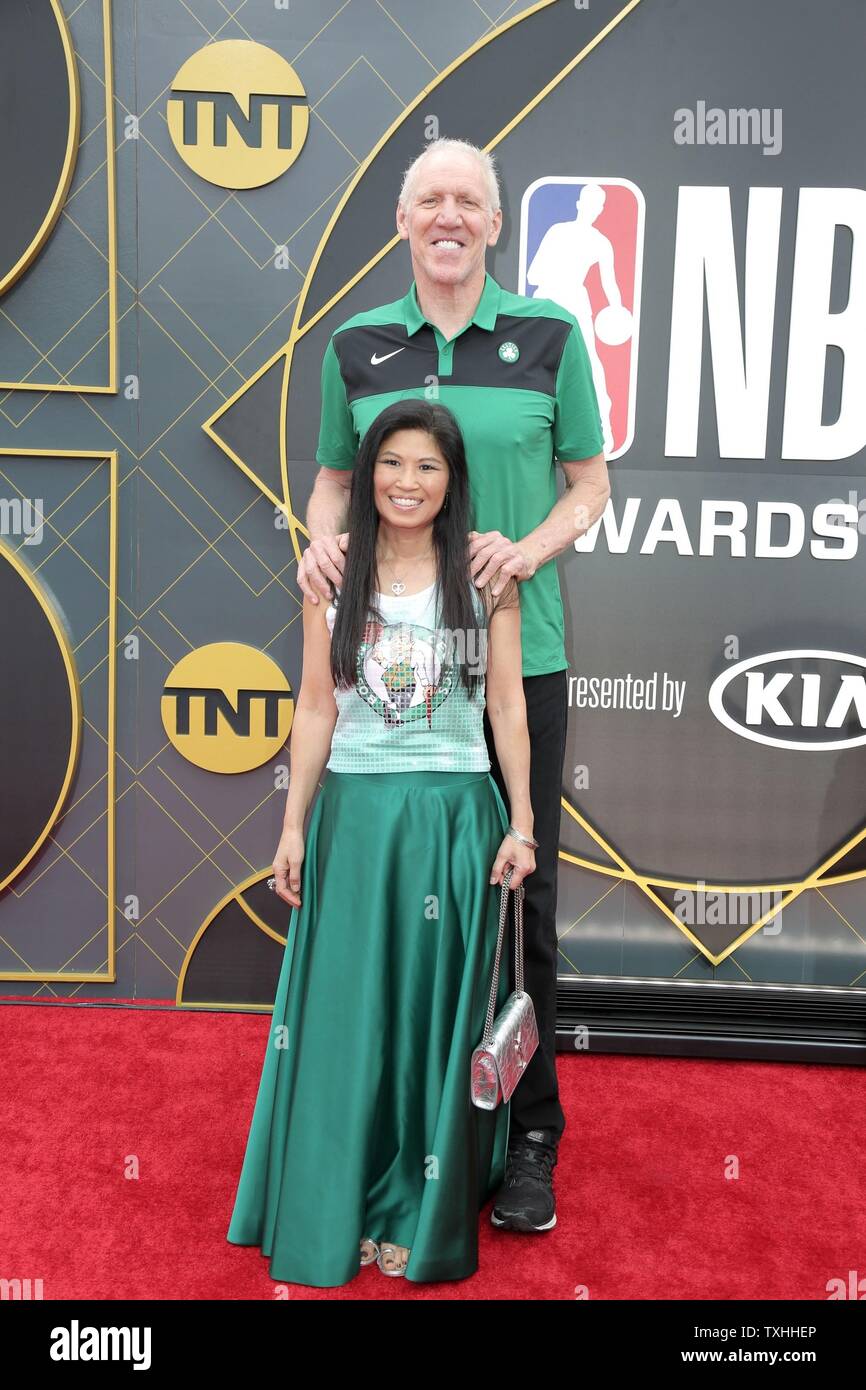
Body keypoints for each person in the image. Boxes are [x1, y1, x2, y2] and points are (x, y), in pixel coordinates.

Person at [297, 137, 611, 1234]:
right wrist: (314, 544)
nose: (447, 215)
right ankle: (411, 1129)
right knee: (396, 914)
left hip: (512, 664)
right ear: (400, 220)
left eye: (466, 201)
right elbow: (333, 484)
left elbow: (591, 486)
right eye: (428, 198)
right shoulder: (356, 345)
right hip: (393, 681)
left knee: (513, 901)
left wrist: (526, 549)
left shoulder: (548, 339)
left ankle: (526, 1140)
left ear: (492, 222)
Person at [227, 397, 536, 1286]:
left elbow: (508, 705)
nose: (408, 482)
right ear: (366, 476)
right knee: (352, 1016)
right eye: (392, 464)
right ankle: (341, 1194)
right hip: (356, 823)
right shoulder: (330, 576)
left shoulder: (485, 574)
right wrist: (292, 827)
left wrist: (521, 821)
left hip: (450, 821)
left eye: (428, 466)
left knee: (428, 1022)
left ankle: (418, 1199)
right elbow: (316, 708)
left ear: (452, 481)